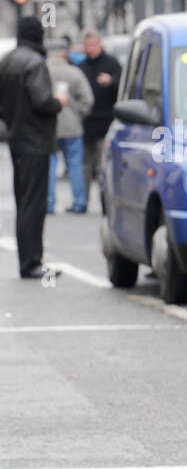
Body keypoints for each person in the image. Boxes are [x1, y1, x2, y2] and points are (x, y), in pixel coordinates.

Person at [0, 17, 67, 279]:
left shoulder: (7, 61)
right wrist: (58, 102)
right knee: (34, 204)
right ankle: (32, 261)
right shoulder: (34, 63)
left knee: (23, 201)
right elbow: (42, 102)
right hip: (35, 141)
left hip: (18, 140)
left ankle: (27, 259)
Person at [46, 36, 93, 214]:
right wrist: (78, 114)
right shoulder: (74, 73)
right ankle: (79, 202)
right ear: (65, 53)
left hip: (50, 125)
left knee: (50, 166)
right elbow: (88, 100)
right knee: (75, 166)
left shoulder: (43, 71)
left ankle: (49, 203)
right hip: (73, 127)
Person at [78, 30, 122, 210]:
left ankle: (106, 203)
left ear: (100, 44)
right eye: (87, 45)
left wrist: (112, 81)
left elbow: (123, 86)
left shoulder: (111, 63)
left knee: (103, 167)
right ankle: (82, 201)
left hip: (105, 123)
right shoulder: (81, 67)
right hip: (86, 124)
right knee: (84, 167)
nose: (90, 49)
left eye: (93, 45)